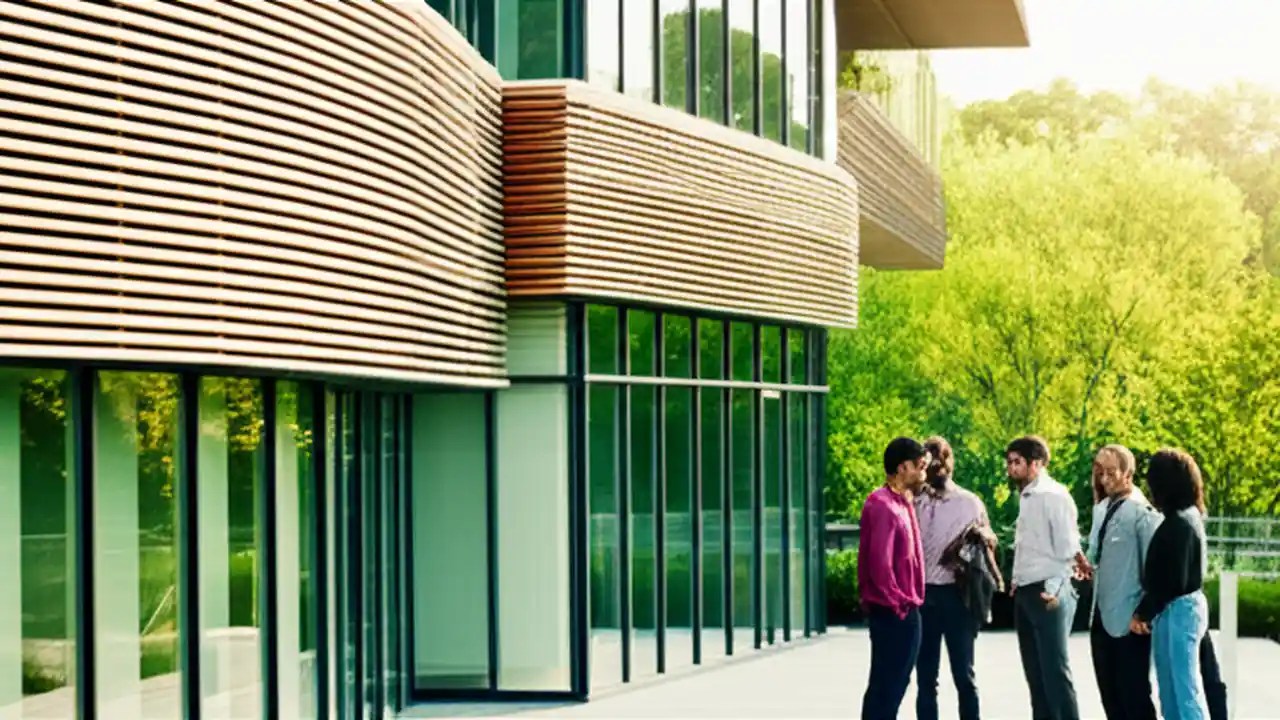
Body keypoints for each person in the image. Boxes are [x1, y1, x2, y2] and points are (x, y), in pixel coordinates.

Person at [913, 436, 994, 720]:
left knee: (964, 675)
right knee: (925, 678)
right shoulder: (915, 502)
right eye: (930, 461)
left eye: (941, 459)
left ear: (950, 462)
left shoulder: (969, 502)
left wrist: (982, 536)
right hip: (923, 595)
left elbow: (990, 542)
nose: (937, 466)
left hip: (958, 595)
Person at [1008, 435, 1087, 720]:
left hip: (1048, 590)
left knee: (1055, 672)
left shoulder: (1053, 496)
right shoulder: (1027, 496)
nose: (1011, 469)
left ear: (1037, 463)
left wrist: (1053, 590)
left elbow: (1067, 549)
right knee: (1036, 677)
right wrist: (1016, 581)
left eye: (1017, 462)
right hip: (1026, 590)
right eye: (1009, 462)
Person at [1132, 449, 1212, 720]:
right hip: (1177, 608)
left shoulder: (1180, 523)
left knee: (1184, 689)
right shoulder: (1187, 517)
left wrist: (1144, 612)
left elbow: (1171, 579)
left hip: (1179, 609)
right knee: (1171, 689)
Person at [1085, 445, 1162, 720]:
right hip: (1101, 618)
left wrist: (1143, 614)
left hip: (1130, 621)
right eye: (1100, 472)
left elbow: (1155, 570)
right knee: (1111, 699)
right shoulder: (1102, 509)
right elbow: (1099, 556)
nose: (1104, 479)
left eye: (1111, 472)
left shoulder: (1143, 513)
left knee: (1135, 698)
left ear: (1128, 474)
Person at [858, 437, 928, 720]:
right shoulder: (881, 505)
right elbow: (880, 563)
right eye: (919, 466)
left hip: (906, 608)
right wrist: (898, 604)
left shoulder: (902, 502)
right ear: (902, 467)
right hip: (893, 611)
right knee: (886, 687)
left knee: (896, 684)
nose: (923, 472)